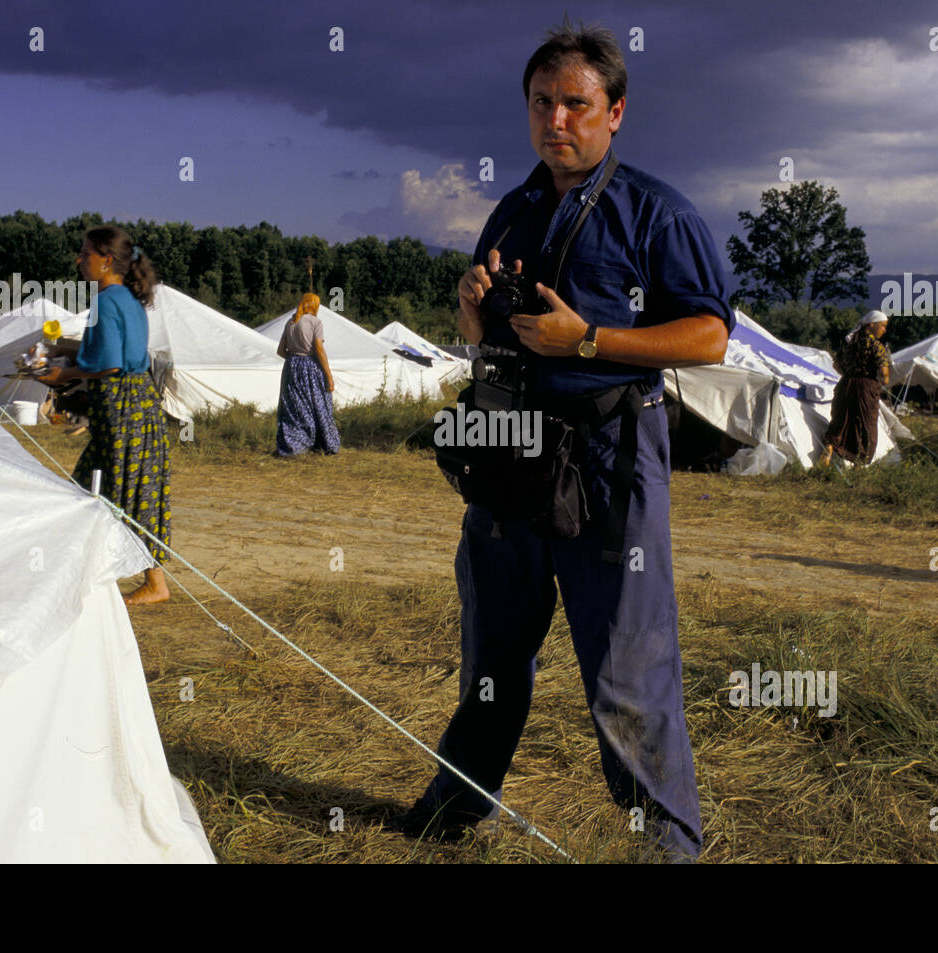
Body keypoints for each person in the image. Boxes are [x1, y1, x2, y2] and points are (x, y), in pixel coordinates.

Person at [395, 22, 732, 862]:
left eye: (576, 104)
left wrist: (590, 340)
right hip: (509, 445)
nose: (556, 121)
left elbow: (709, 338)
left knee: (626, 662)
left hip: (610, 449)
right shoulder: (513, 209)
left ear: (615, 111)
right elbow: (495, 341)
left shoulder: (657, 212)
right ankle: (456, 805)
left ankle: (667, 845)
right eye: (542, 103)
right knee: (493, 647)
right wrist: (474, 317)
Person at [38, 226, 171, 605]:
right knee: (97, 485)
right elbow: (110, 352)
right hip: (136, 402)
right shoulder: (125, 298)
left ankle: (154, 583)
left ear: (106, 260)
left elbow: (110, 365)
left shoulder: (107, 301)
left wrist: (65, 374)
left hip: (123, 407)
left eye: (85, 254)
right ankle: (82, 569)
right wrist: (69, 355)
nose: (80, 260)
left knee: (125, 487)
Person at [820, 310, 890, 467]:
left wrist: (849, 373)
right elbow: (884, 372)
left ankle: (829, 447)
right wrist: (884, 379)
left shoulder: (849, 344)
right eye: (883, 326)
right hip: (866, 388)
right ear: (871, 325)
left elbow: (836, 364)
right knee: (865, 426)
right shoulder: (876, 346)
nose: (884, 330)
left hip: (845, 385)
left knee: (840, 420)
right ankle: (859, 463)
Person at [274, 292, 340, 457]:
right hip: (310, 367)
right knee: (318, 405)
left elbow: (281, 350)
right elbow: (318, 348)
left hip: (291, 367)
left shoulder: (290, 322)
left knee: (294, 408)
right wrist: (328, 375)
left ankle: (294, 445)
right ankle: (325, 443)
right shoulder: (315, 322)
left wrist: (294, 360)